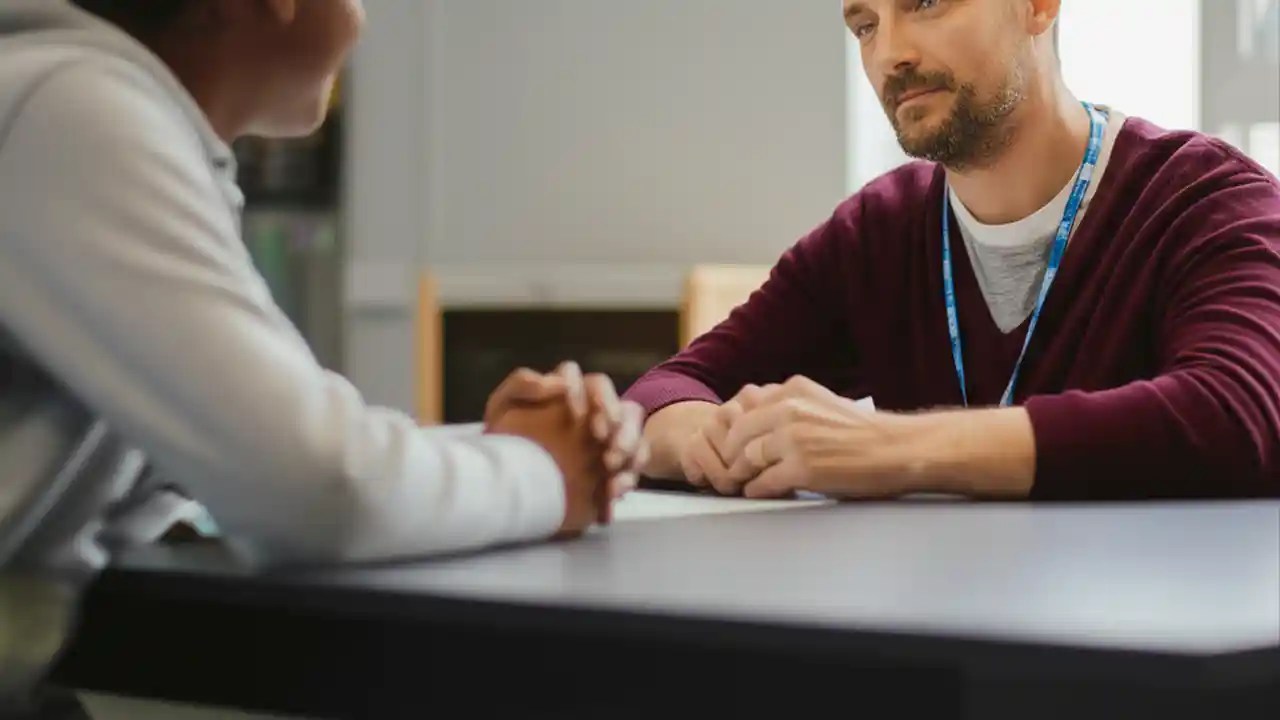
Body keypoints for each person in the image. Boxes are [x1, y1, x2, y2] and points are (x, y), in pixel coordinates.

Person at [0, 0, 647, 712]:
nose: (364, 22)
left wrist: (478, 452)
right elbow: (318, 487)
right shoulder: (70, 109)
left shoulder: (70, 102)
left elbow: (242, 455)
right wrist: (544, 470)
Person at [624, 0, 1280, 501]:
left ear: (1037, 6)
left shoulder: (1207, 202)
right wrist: (715, 444)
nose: (890, 55)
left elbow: (1237, 413)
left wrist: (887, 450)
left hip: (1151, 651)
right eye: (864, 25)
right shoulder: (877, 234)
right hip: (947, 641)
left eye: (927, 2)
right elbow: (665, 391)